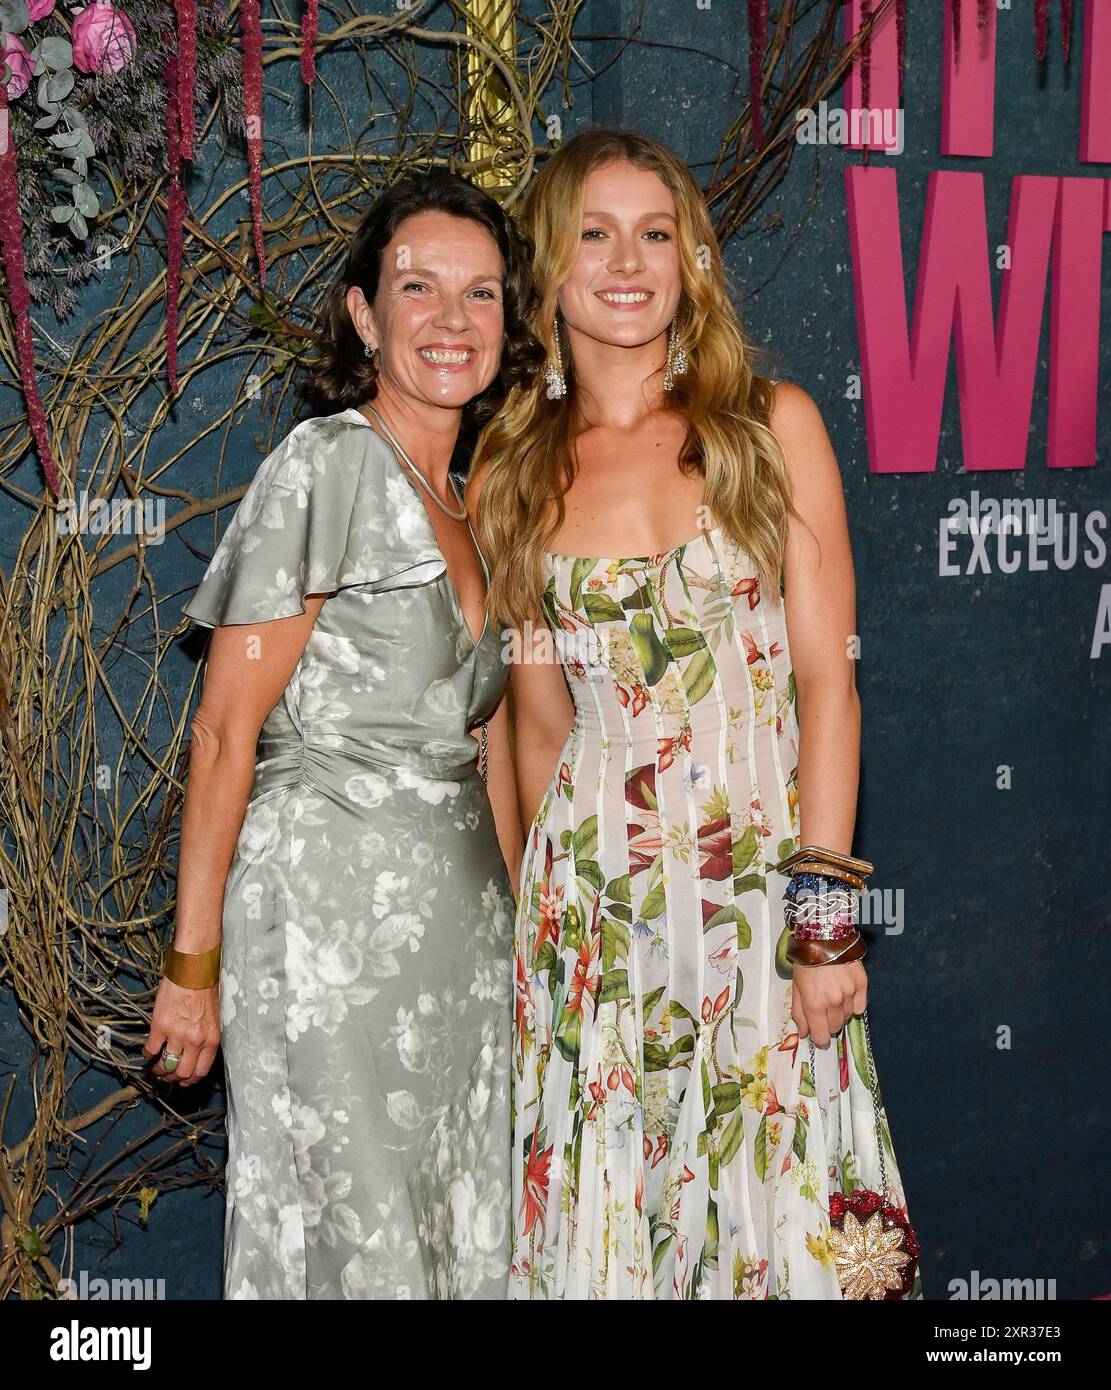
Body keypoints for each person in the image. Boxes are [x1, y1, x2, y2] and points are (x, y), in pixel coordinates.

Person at [472, 129, 921, 1300]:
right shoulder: (510, 472)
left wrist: (824, 926)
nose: (628, 263)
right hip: (595, 914)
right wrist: (534, 952)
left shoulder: (768, 427)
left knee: (784, 1210)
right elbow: (535, 730)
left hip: (760, 896)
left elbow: (828, 682)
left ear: (692, 260)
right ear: (548, 267)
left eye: (655, 233)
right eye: (594, 234)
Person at [143, 171, 542, 1300]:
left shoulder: (478, 501)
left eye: (480, 293)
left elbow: (484, 752)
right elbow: (224, 731)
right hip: (322, 938)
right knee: (353, 1253)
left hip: (460, 949)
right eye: (418, 288)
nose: (451, 319)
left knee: (456, 1241)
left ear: (509, 322)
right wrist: (192, 967)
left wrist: (518, 936)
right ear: (364, 315)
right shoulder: (327, 465)